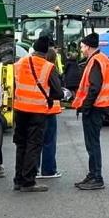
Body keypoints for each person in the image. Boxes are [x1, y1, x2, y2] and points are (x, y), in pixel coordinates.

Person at [12, 36, 64, 192]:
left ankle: (18, 180)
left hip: (20, 109)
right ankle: (28, 181)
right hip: (37, 111)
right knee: (33, 146)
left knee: (21, 145)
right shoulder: (48, 67)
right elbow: (58, 92)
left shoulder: (19, 63)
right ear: (46, 51)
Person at [72, 32, 109, 191]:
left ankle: (97, 177)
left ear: (88, 47)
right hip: (99, 106)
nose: (81, 49)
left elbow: (94, 87)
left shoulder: (95, 61)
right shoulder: (101, 59)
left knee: (92, 144)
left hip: (94, 108)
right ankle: (93, 174)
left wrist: (86, 107)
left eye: (82, 46)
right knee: (92, 143)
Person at [39, 47, 64, 180]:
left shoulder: (36, 68)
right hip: (49, 110)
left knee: (36, 141)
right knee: (49, 141)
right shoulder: (50, 69)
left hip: (35, 109)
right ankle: (48, 170)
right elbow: (58, 92)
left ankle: (34, 169)